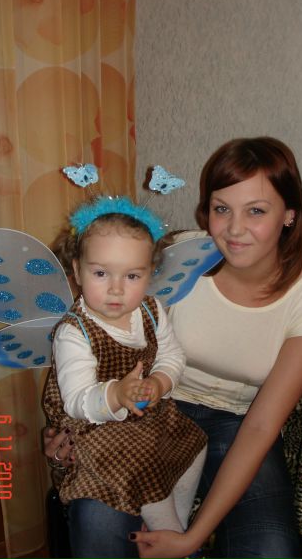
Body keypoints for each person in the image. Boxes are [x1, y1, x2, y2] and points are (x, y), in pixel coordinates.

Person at [45, 136, 302, 559]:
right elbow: (96, 331)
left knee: (271, 549)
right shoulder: (179, 256)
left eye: (256, 210)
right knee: (98, 524)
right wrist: (68, 420)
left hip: (239, 425)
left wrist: (191, 537)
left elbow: (261, 426)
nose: (234, 229)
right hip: (144, 409)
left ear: (289, 214)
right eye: (222, 209)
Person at [42, 195, 207, 559]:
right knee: (142, 463)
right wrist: (117, 394)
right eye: (101, 273)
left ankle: (174, 523)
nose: (116, 289)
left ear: (149, 273)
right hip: (96, 428)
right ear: (77, 271)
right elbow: (77, 401)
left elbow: (172, 355)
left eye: (132, 276)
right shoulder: (74, 332)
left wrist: (160, 382)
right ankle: (172, 537)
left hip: (147, 413)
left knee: (195, 443)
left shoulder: (151, 310)